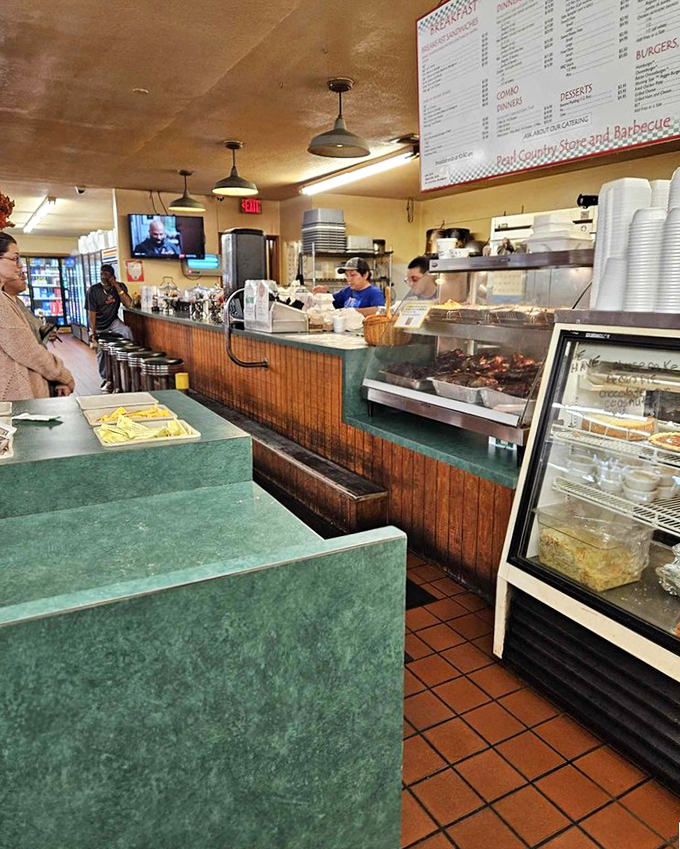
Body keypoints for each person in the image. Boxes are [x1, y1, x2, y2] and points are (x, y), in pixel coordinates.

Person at [0, 234, 74, 400]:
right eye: (15, 258)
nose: (20, 266)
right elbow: (28, 350)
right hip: (15, 401)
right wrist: (63, 375)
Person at [86, 264, 134, 391]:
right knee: (101, 352)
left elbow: (128, 304)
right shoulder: (93, 290)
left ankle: (128, 367)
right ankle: (106, 379)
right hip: (98, 324)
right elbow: (91, 314)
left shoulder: (120, 287)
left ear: (113, 276)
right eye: (102, 273)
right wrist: (93, 332)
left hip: (113, 321)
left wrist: (116, 286)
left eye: (106, 274)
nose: (103, 276)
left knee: (126, 331)